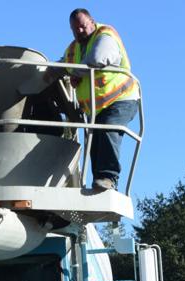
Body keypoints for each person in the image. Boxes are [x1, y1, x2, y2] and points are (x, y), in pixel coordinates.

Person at [59, 8, 139, 191]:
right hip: (95, 107)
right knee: (94, 141)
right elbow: (61, 65)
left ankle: (108, 179)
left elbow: (96, 59)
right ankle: (99, 181)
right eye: (74, 29)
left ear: (92, 22)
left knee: (108, 128)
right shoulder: (73, 49)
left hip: (121, 98)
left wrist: (73, 72)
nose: (79, 31)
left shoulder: (105, 36)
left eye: (82, 26)